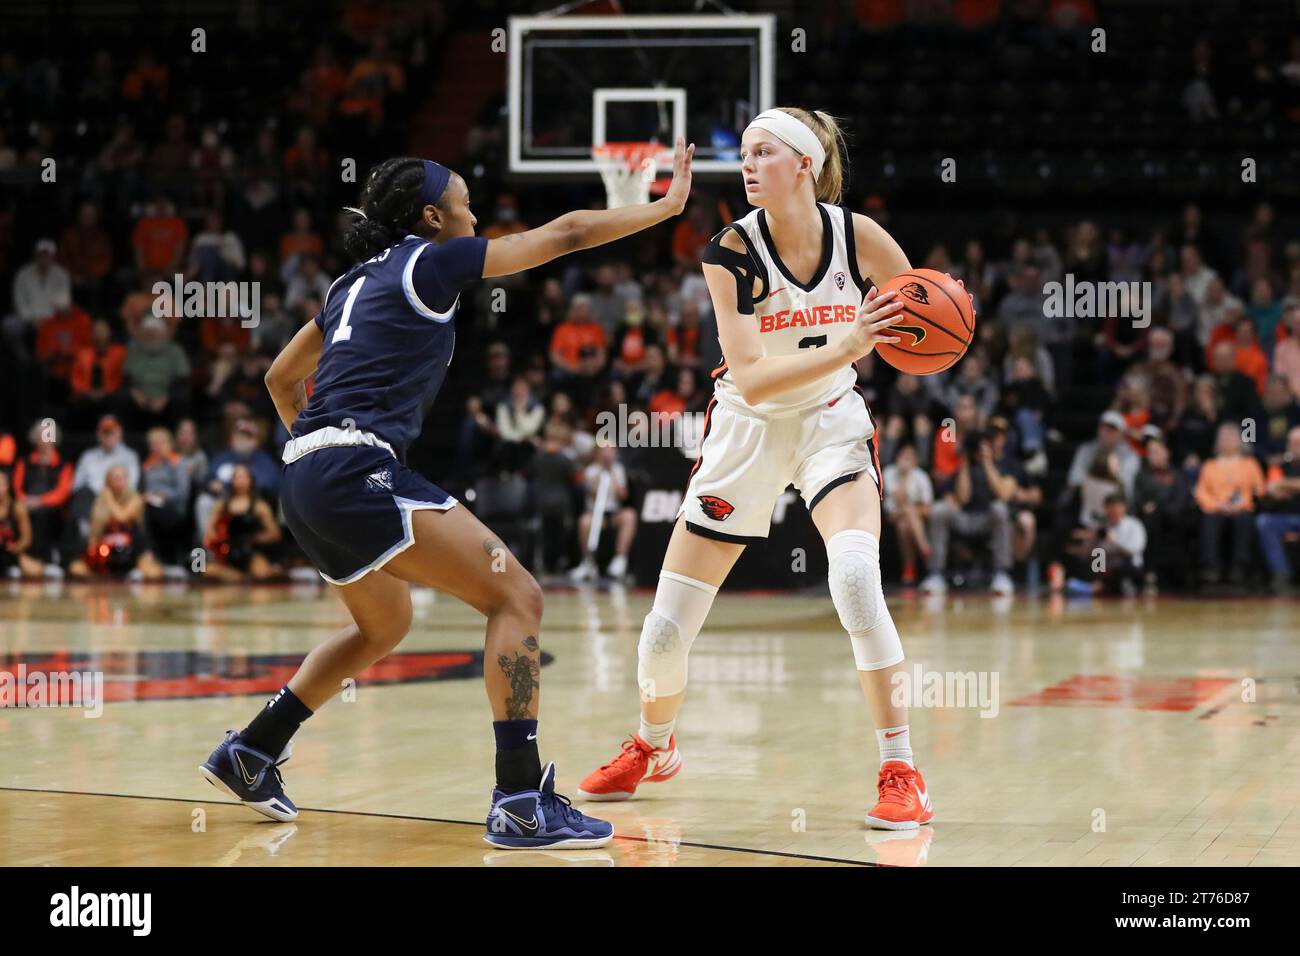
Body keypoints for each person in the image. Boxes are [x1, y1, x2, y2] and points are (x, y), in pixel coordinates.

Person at [200, 142, 696, 850]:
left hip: (302, 475)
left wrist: (316, 449)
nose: (475, 215)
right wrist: (665, 208)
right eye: (465, 203)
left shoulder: (349, 284)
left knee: (383, 627)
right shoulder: (431, 261)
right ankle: (520, 800)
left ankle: (252, 749)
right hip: (353, 468)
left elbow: (280, 379)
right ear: (433, 217)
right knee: (517, 597)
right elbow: (568, 234)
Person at [577, 107, 956, 830]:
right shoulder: (730, 250)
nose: (747, 166)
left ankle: (901, 769)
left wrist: (930, 332)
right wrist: (848, 345)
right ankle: (654, 745)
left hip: (830, 421)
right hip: (746, 428)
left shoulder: (860, 237)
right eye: (744, 155)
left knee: (855, 580)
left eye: (763, 153)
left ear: (805, 164)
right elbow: (751, 380)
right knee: (663, 633)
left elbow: (917, 314)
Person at [568, 441, 637, 582]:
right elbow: (593, 493)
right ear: (598, 452)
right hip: (596, 513)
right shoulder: (591, 470)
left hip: (613, 513)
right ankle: (588, 561)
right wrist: (601, 474)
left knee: (630, 516)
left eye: (612, 449)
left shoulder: (618, 469)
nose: (609, 452)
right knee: (585, 522)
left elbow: (623, 495)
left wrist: (612, 473)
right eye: (606, 449)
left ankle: (620, 560)